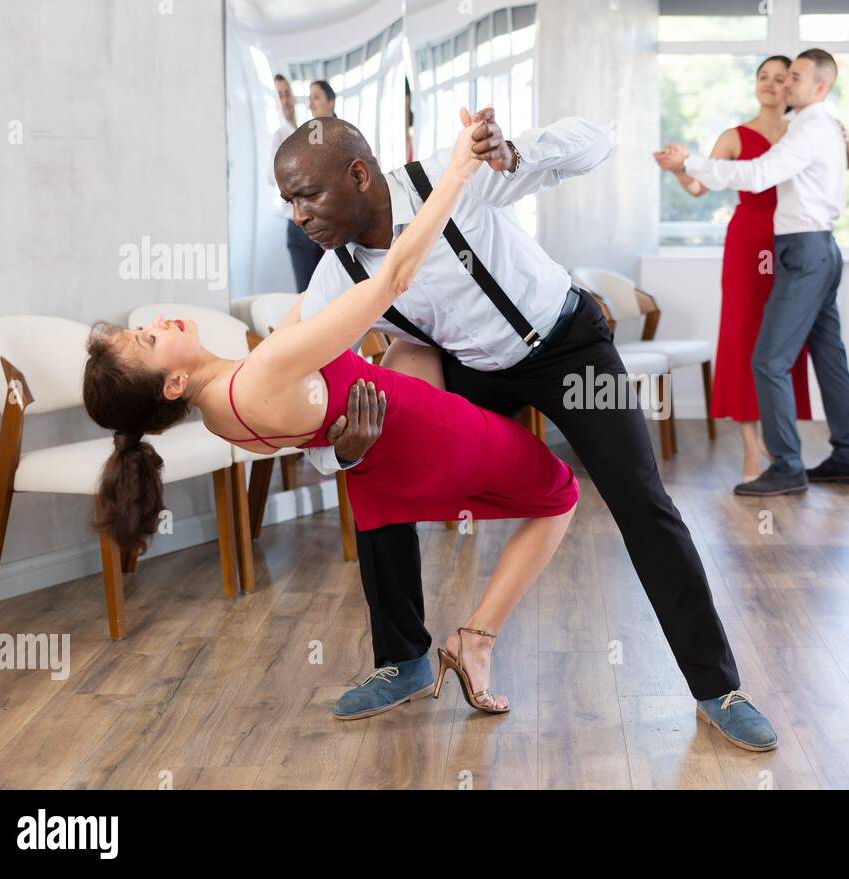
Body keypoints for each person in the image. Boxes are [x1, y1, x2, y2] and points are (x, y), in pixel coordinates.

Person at [278, 111, 778, 751]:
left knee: (642, 502)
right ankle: (404, 661)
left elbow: (601, 136)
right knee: (372, 468)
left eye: (308, 195)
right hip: (477, 371)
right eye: (289, 201)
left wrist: (512, 153)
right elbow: (296, 378)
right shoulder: (334, 272)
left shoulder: (449, 176)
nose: (299, 216)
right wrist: (336, 453)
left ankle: (718, 689)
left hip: (569, 351)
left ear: (358, 175)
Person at [83, 111, 577, 713]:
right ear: (173, 383)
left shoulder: (223, 414)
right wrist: (456, 171)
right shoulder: (264, 370)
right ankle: (475, 638)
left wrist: (345, 445)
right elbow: (393, 277)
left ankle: (407, 665)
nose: (157, 322)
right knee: (561, 496)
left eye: (144, 328)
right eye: (149, 341)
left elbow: (314, 349)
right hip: (436, 435)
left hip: (382, 471)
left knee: (410, 343)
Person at [655, 48, 849, 497]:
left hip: (802, 250)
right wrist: (686, 168)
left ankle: (787, 465)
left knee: (769, 360)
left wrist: (689, 161)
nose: (784, 83)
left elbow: (759, 174)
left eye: (793, 77)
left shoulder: (808, 128)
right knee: (829, 356)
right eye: (776, 76)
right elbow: (715, 184)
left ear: (819, 87)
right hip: (814, 247)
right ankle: (847, 456)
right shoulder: (817, 124)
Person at [273, 74, 322, 291]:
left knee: (323, 288)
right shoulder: (278, 136)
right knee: (305, 291)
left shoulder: (307, 129)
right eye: (280, 95)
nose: (285, 99)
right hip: (296, 225)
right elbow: (271, 175)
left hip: (317, 220)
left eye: (287, 93)